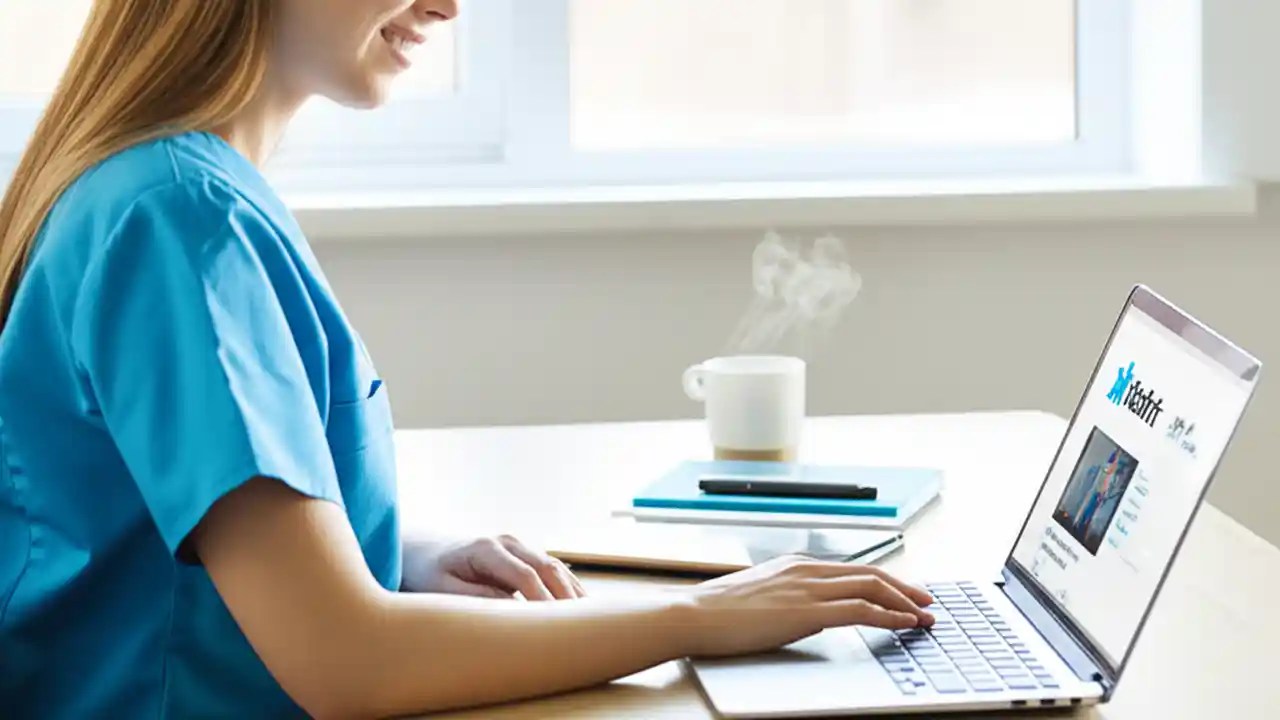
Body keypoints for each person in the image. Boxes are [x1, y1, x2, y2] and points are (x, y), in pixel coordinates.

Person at [0, 2, 935, 717]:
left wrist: (394, 554)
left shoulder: (159, 189)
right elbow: (343, 660)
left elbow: (147, 529)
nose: (449, 5)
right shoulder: (178, 219)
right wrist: (701, 618)